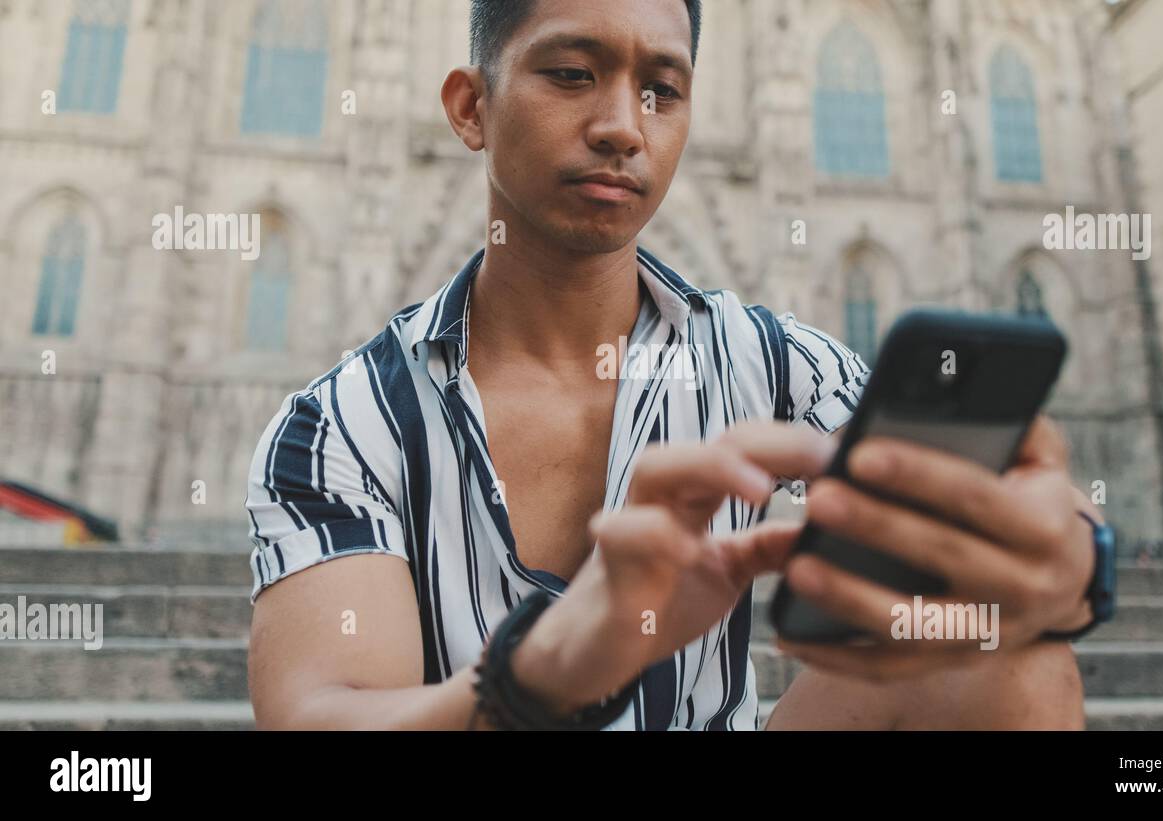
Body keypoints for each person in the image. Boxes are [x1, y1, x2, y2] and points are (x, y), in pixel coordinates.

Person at [244, 0, 1101, 730]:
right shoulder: (341, 426)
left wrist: (1068, 561)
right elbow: (326, 710)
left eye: (662, 90)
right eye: (572, 74)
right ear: (471, 108)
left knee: (1004, 652)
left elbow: (994, 516)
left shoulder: (772, 367)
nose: (623, 127)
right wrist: (537, 675)